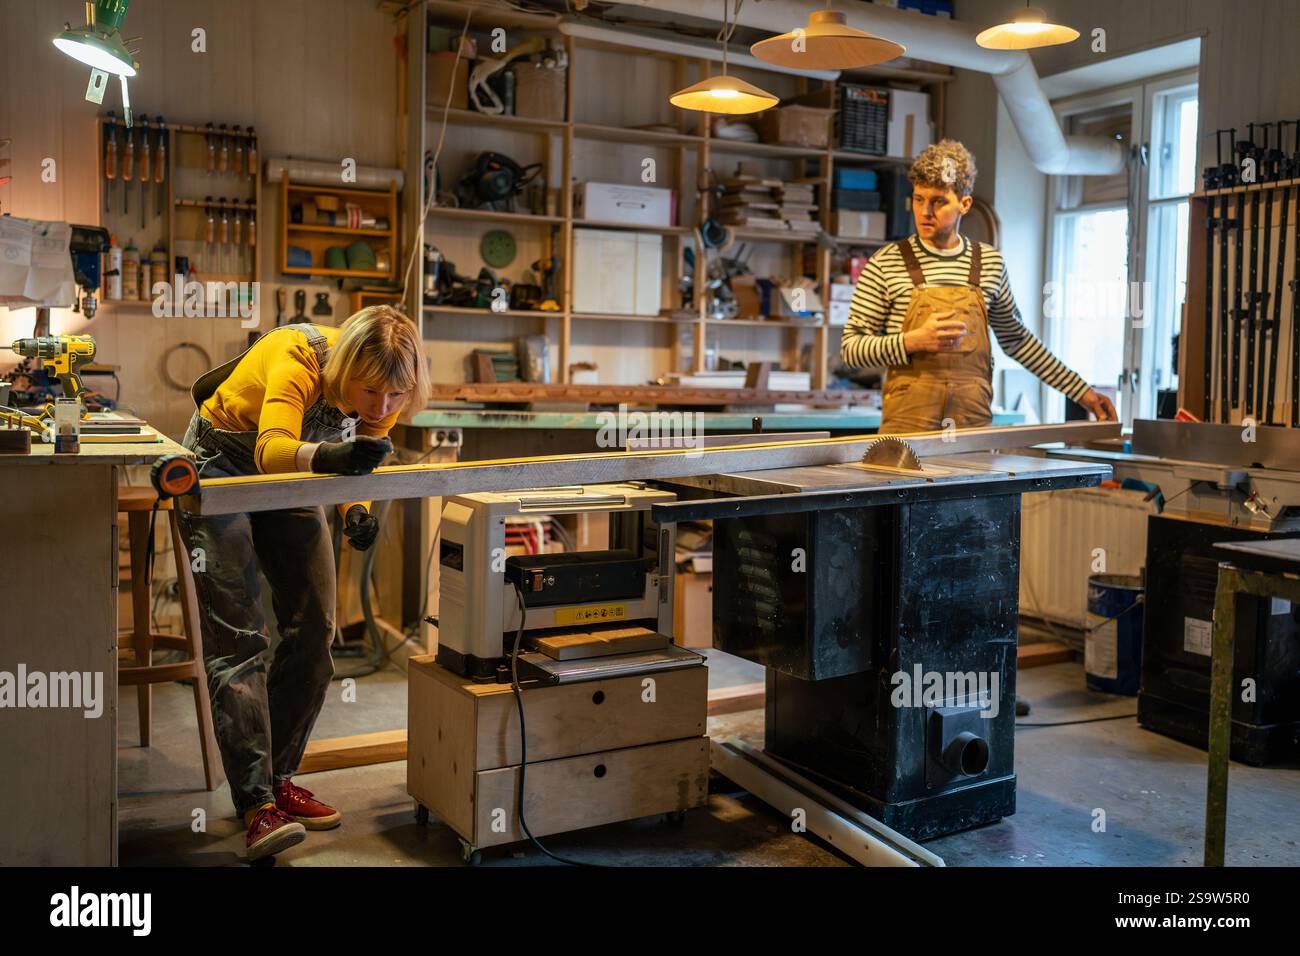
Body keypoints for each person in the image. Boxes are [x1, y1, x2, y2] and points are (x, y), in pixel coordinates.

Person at [176, 305, 430, 861]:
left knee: (316, 631)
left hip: (299, 473)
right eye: (369, 394)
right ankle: (256, 802)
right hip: (221, 465)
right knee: (240, 638)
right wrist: (333, 458)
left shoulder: (383, 384)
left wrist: (357, 506)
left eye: (394, 397)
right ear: (345, 371)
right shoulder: (296, 355)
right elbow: (270, 452)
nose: (381, 408)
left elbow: (360, 460)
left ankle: (281, 776)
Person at [841, 139, 1116, 434]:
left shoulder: (989, 264)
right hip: (908, 433)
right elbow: (852, 349)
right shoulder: (887, 262)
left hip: (971, 430)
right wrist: (913, 341)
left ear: (965, 203)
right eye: (919, 199)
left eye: (938, 201)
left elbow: (1017, 341)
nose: (925, 212)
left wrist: (1081, 391)